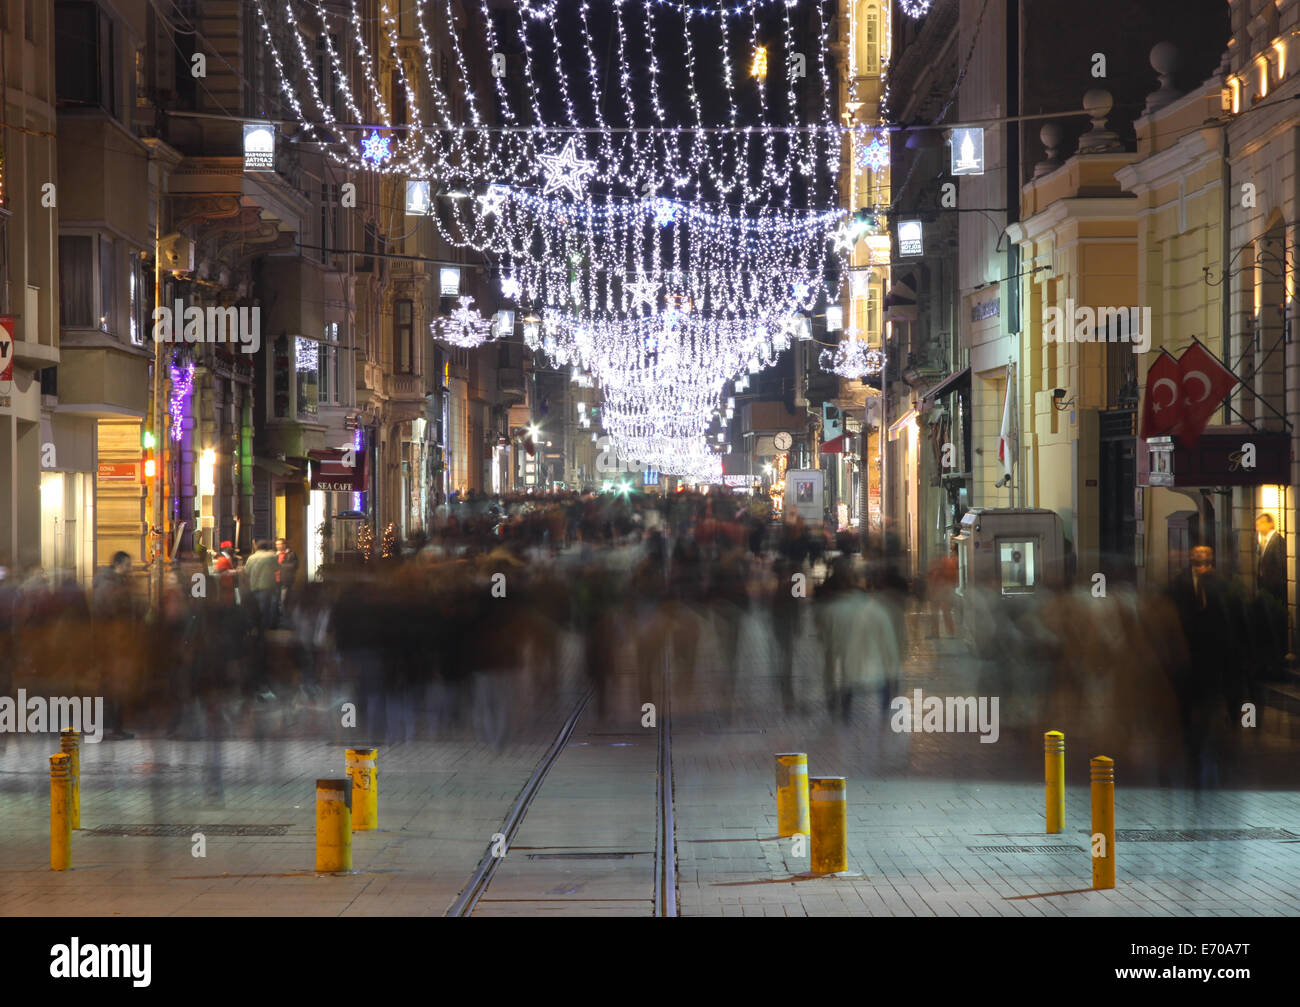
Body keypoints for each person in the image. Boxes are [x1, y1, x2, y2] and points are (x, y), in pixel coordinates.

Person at [244, 540, 280, 632]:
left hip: (254, 586)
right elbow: (277, 568)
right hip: (267, 586)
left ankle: (256, 628)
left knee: (256, 609)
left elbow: (246, 571)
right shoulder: (272, 556)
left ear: (257, 547)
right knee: (265, 609)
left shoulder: (251, 558)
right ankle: (264, 630)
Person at [276, 537, 300, 614]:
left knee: (283, 599)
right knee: (276, 600)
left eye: (280, 544)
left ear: (284, 544)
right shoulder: (274, 554)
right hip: (275, 580)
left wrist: (281, 566)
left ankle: (283, 615)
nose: (278, 546)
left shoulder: (291, 554)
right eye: (277, 544)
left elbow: (295, 565)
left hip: (286, 580)